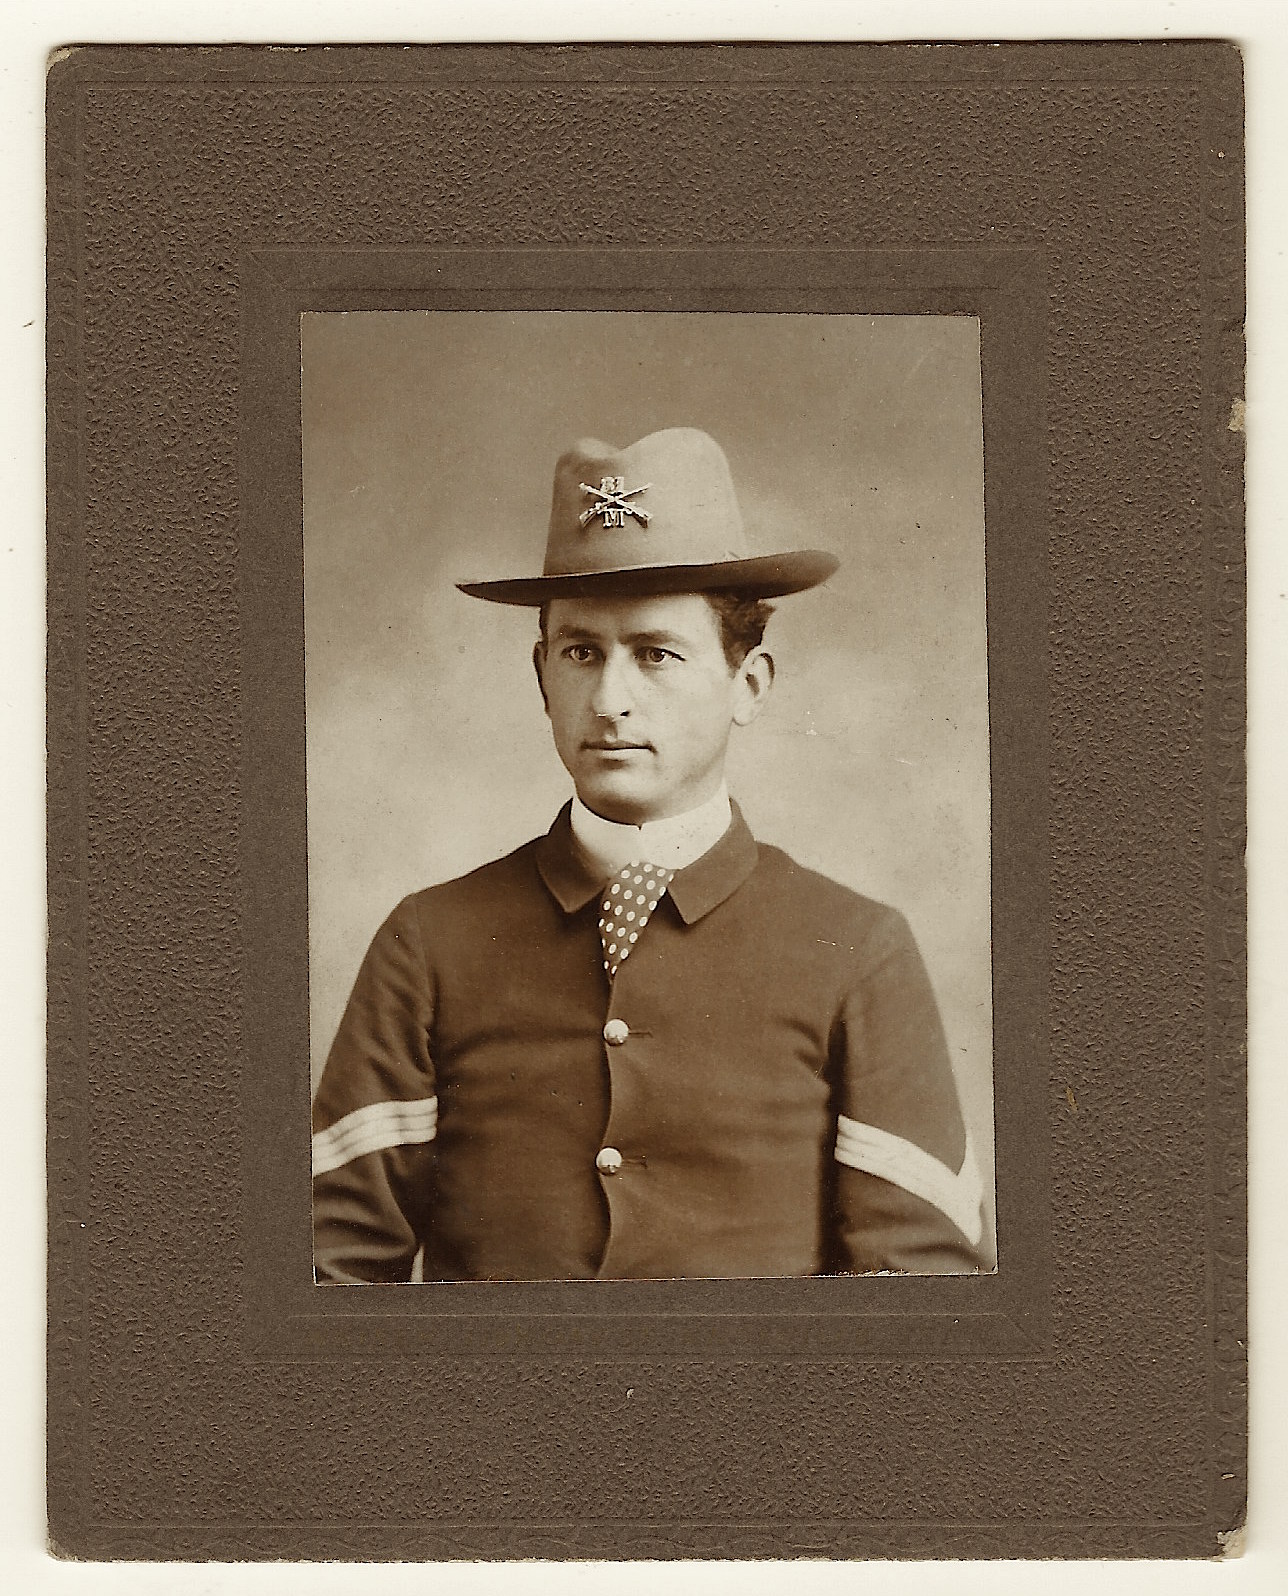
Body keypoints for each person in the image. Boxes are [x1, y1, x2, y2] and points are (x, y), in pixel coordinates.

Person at [310, 427, 986, 1282]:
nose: (610, 699)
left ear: (750, 685)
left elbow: (922, 1299)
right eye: (581, 653)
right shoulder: (430, 941)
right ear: (540, 675)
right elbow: (330, 1275)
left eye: (657, 655)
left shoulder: (857, 949)